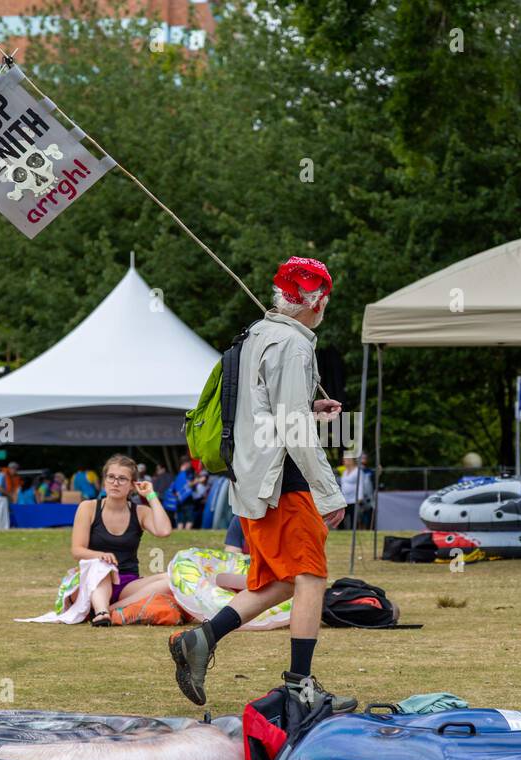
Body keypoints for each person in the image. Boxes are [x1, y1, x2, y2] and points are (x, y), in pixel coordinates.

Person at [167, 255, 352, 710]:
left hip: (250, 478)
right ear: (318, 301)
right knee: (311, 578)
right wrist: (328, 490)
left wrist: (310, 408)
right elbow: (290, 427)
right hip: (281, 480)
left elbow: (262, 412)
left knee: (285, 581)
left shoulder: (253, 335)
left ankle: (202, 638)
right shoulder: (292, 345)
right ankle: (300, 689)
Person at [70, 453, 174, 626]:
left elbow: (163, 531)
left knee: (171, 579)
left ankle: (110, 610)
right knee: (101, 565)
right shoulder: (88, 508)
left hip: (127, 584)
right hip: (93, 580)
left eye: (122, 479)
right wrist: (100, 555)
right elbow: (77, 550)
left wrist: (151, 495)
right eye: (111, 477)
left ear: (133, 485)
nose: (115, 482)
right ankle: (102, 610)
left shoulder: (140, 512)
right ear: (104, 480)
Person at [339, 454, 374, 529]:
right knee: (341, 517)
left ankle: (353, 530)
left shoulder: (358, 471)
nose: (344, 461)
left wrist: (360, 497)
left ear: (351, 461)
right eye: (344, 460)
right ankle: (342, 531)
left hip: (354, 499)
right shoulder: (345, 472)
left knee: (353, 519)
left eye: (345, 460)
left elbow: (361, 485)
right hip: (344, 499)